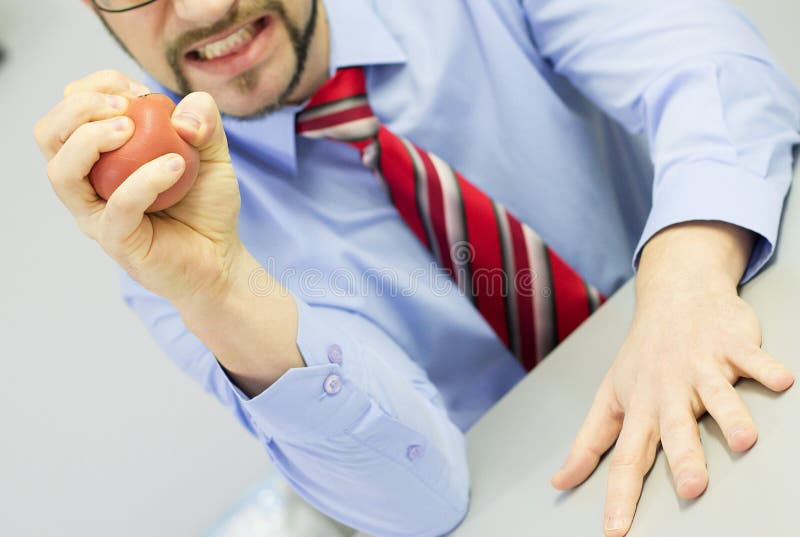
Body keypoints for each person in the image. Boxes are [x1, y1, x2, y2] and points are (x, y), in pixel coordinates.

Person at [33, 0, 799, 536]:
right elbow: (424, 503)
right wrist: (224, 290)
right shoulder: (160, 241)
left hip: (727, 347)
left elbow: (701, 58)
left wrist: (686, 272)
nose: (204, 9)